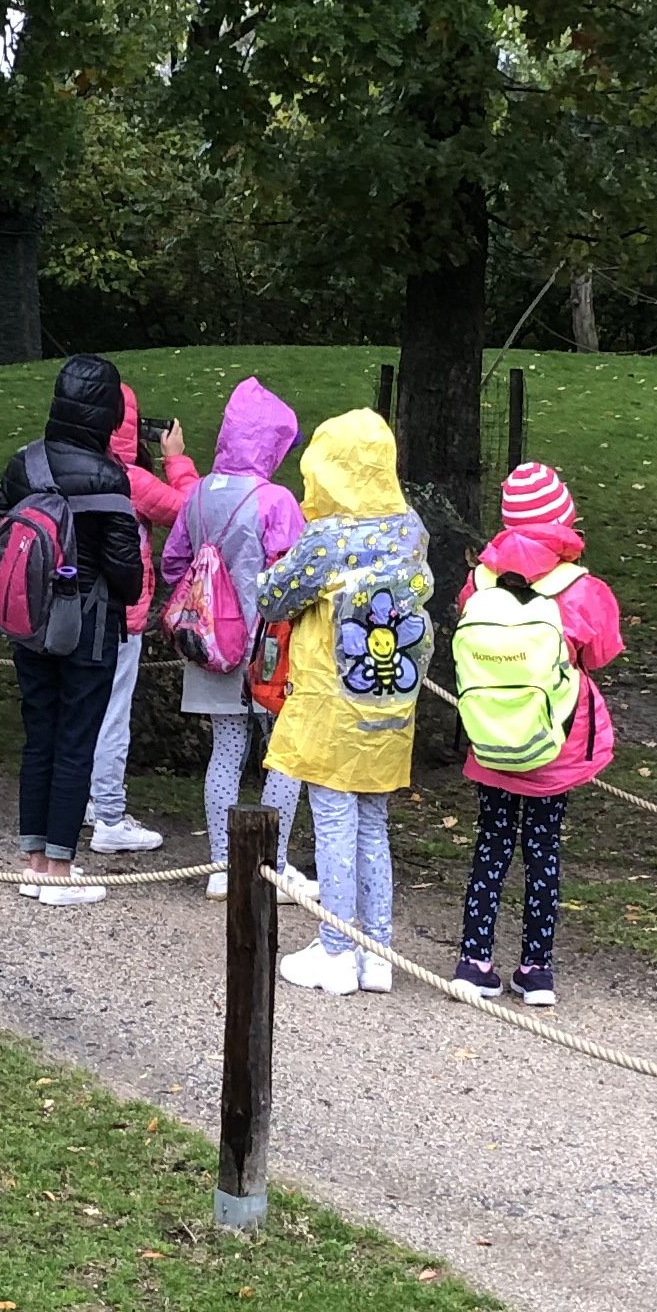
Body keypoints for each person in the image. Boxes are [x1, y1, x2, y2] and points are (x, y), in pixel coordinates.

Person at [255, 409, 432, 996]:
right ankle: (375, 952)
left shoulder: (327, 538)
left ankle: (336, 948)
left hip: (333, 700)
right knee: (373, 822)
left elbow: (276, 599)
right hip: (389, 699)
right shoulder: (409, 528)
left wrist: (265, 578)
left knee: (333, 821)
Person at [449, 461, 624, 1004]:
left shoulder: (477, 582)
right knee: (543, 849)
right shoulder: (582, 588)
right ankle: (536, 969)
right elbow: (602, 652)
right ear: (563, 521)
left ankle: (474, 960)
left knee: (491, 844)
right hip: (556, 742)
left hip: (492, 737)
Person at [0, 355, 145, 906]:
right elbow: (126, 568)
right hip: (90, 625)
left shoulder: (22, 464)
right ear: (106, 414)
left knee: (40, 735)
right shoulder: (109, 476)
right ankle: (60, 867)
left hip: (28, 623)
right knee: (77, 739)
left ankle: (33, 859)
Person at [161, 377, 306, 897]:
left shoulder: (197, 493)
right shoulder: (276, 499)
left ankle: (224, 864)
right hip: (267, 648)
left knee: (225, 750)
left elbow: (173, 561)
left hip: (209, 643)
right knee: (282, 753)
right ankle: (272, 862)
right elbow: (292, 575)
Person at [83, 387, 197, 856]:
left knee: (80, 710)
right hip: (120, 614)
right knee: (113, 716)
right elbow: (193, 512)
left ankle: (85, 799)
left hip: (72, 612)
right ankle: (109, 813)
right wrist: (177, 461)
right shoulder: (131, 479)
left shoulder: (66, 466)